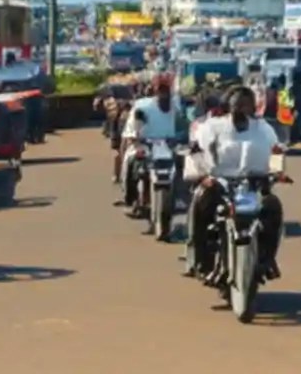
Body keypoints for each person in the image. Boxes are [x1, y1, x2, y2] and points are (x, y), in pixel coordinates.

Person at [185, 86, 284, 283]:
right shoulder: (213, 126)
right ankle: (202, 261)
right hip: (220, 182)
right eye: (238, 104)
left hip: (254, 183)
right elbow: (196, 151)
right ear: (228, 106)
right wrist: (202, 175)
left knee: (273, 206)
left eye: (247, 105)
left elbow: (276, 151)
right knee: (201, 202)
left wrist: (277, 172)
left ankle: (267, 259)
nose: (242, 109)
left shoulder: (263, 128)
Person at [118, 76, 179, 209]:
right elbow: (132, 128)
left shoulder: (176, 106)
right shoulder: (142, 106)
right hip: (145, 145)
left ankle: (178, 198)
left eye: (166, 90)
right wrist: (135, 136)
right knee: (132, 162)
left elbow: (185, 125)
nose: (164, 94)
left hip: (168, 147)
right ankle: (132, 198)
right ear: (154, 91)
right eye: (161, 90)